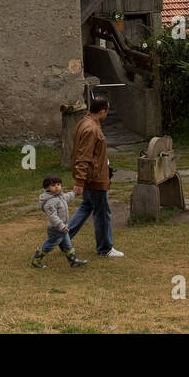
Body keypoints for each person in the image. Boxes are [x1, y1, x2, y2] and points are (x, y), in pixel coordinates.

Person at [67, 93, 124, 258]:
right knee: (103, 213)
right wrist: (80, 180)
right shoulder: (91, 129)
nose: (106, 114)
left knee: (86, 206)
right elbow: (83, 156)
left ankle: (63, 238)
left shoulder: (84, 122)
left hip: (92, 176)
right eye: (107, 111)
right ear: (102, 111)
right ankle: (105, 248)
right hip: (94, 178)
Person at [31, 174, 86, 269]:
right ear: (47, 188)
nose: (57, 187)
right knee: (49, 245)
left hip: (63, 228)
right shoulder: (49, 202)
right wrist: (61, 226)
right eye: (53, 185)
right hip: (56, 229)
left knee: (68, 245)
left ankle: (73, 261)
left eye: (58, 184)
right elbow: (53, 217)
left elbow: (67, 197)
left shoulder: (59, 196)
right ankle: (36, 259)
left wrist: (74, 193)